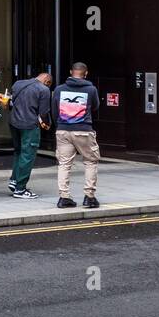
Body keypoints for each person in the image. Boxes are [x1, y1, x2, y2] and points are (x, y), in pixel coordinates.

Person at [52, 62, 100, 209]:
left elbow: (54, 110)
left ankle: (64, 197)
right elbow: (96, 106)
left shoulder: (59, 89)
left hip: (63, 130)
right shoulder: (91, 89)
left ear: (71, 72)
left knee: (64, 164)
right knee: (91, 161)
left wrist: (59, 125)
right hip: (83, 130)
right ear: (86, 73)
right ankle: (89, 197)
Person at [7, 70, 52, 198]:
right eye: (48, 84)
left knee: (18, 152)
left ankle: (14, 180)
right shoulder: (44, 90)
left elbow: (12, 103)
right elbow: (43, 112)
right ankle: (20, 189)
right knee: (28, 155)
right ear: (47, 81)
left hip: (13, 122)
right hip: (29, 125)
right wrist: (48, 125)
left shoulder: (18, 83)